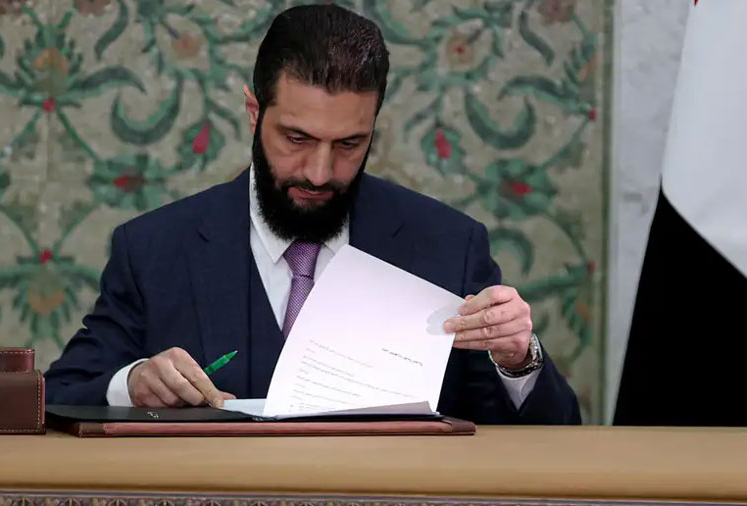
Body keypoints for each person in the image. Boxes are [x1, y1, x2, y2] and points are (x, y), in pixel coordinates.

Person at [44, 4, 581, 425]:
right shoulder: (153, 249)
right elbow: (61, 395)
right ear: (254, 113)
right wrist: (132, 383)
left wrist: (519, 359)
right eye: (297, 139)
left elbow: (550, 436)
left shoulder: (449, 246)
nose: (320, 173)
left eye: (349, 144)